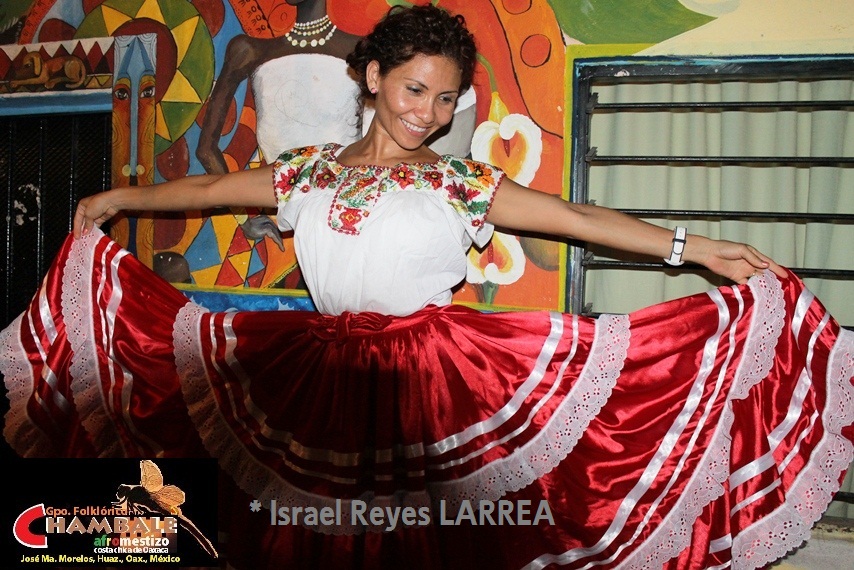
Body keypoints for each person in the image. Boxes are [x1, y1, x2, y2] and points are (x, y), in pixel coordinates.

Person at [2, 5, 852, 570]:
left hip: (437, 381)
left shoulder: (458, 181)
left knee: (437, 541)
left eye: (447, 99)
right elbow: (211, 189)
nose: (431, 112)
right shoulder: (308, 172)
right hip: (318, 373)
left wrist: (694, 247)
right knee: (307, 536)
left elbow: (570, 215)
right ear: (373, 77)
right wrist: (120, 199)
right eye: (416, 89)